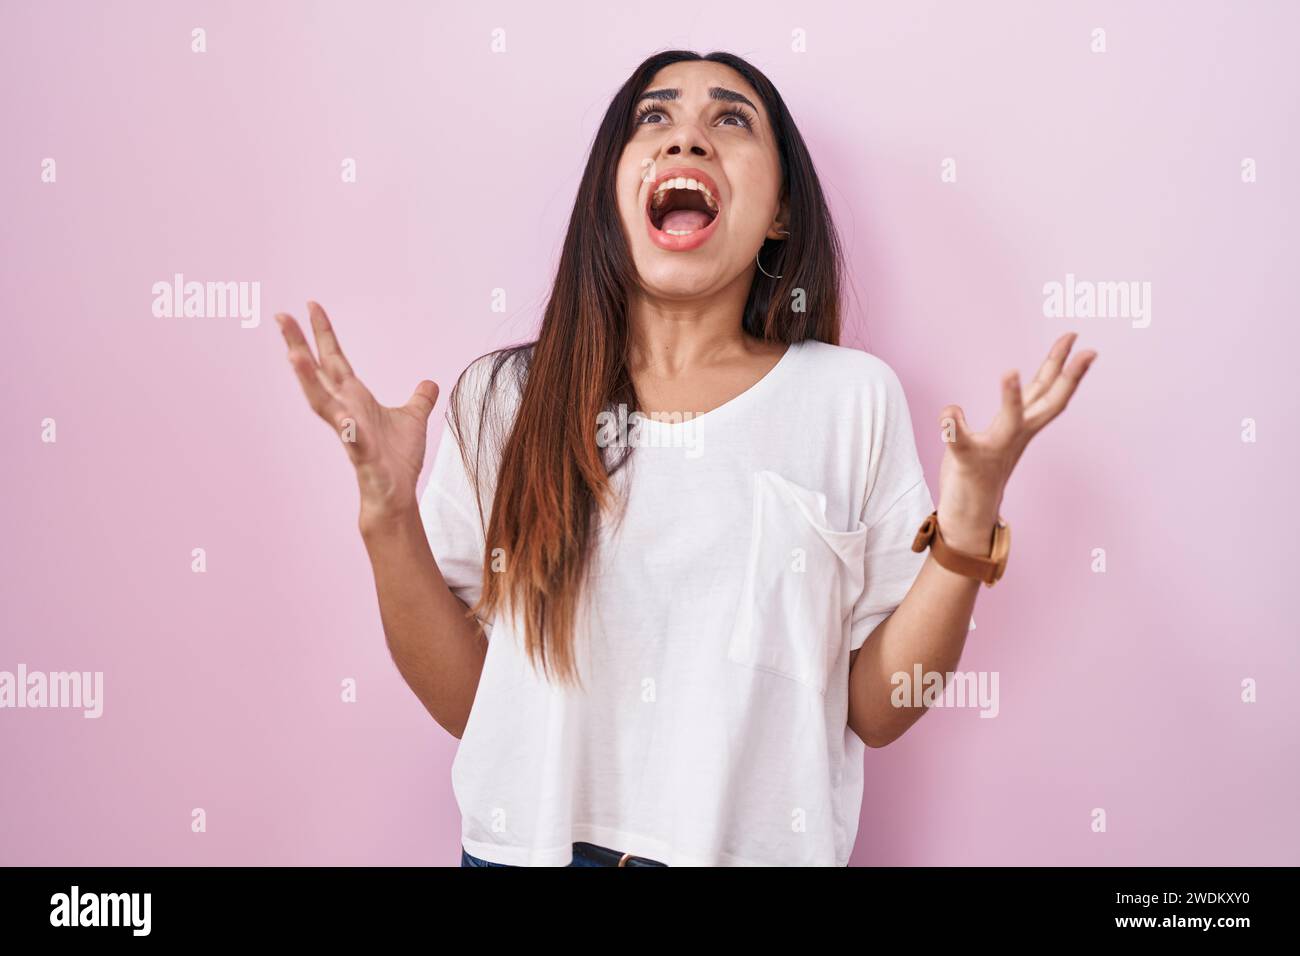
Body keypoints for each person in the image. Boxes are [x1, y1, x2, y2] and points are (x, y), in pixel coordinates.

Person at [274, 50, 1096, 867]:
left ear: (780, 211)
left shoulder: (849, 398)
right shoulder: (503, 398)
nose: (687, 140)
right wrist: (387, 513)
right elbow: (471, 706)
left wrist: (966, 523)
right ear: (611, 193)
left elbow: (878, 712)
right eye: (654, 118)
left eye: (730, 120)